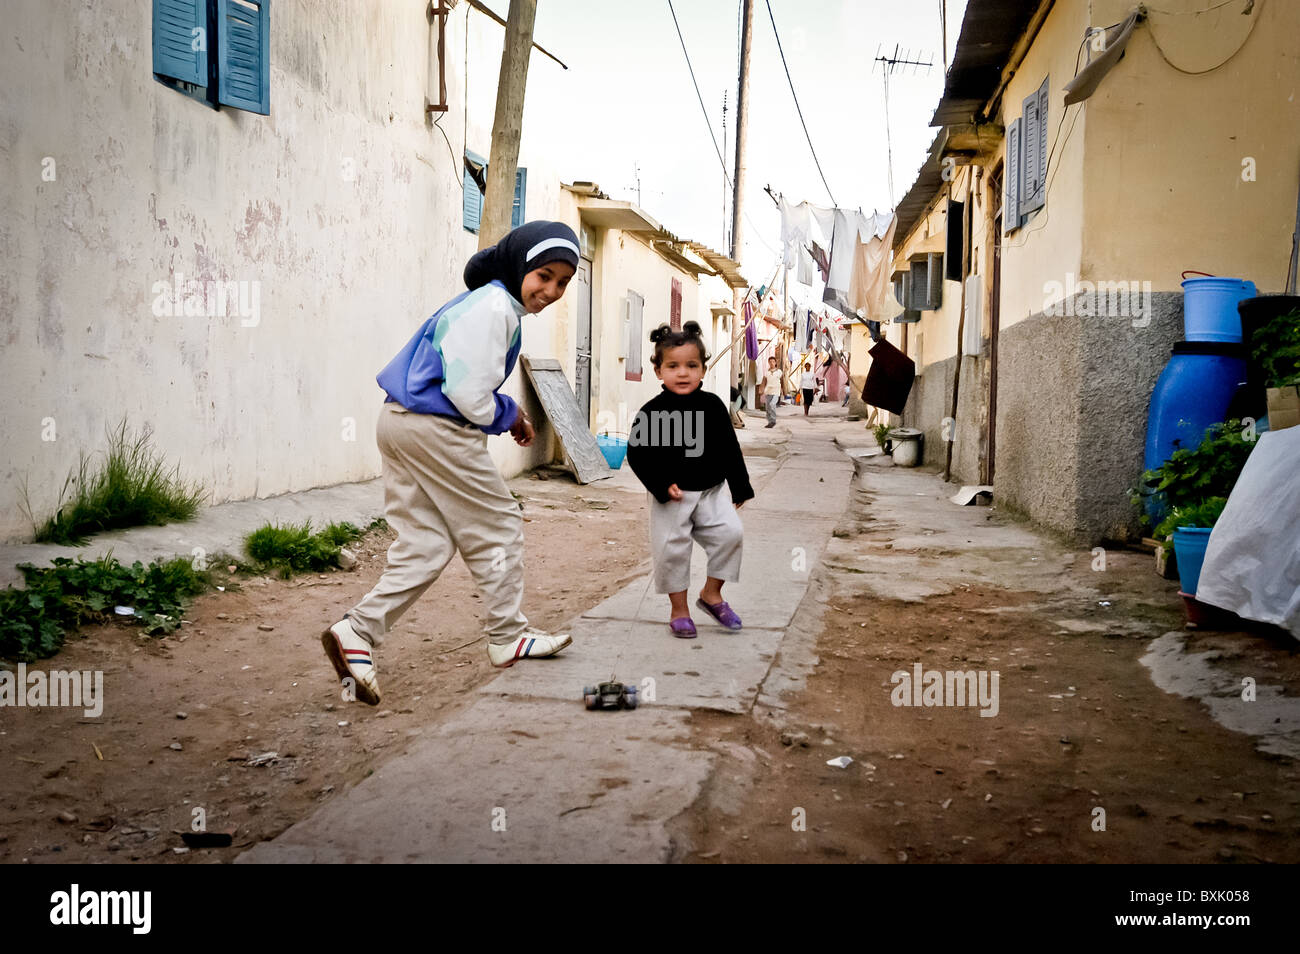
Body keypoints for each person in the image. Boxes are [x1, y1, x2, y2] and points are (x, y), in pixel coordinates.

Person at [321, 221, 581, 706]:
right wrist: (506, 413)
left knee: (427, 542)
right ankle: (508, 635)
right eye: (544, 275)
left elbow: (462, 379)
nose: (551, 290)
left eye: (563, 283)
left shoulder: (488, 304)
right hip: (436, 429)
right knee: (499, 524)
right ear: (521, 265)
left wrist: (506, 414)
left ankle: (356, 632)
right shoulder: (493, 307)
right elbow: (465, 393)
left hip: (398, 421)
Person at [626, 322, 754, 638]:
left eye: (691, 365)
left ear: (703, 370)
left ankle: (712, 594)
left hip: (712, 491)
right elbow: (637, 454)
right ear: (658, 370)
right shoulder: (652, 412)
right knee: (672, 552)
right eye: (673, 366)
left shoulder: (712, 406)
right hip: (673, 496)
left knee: (731, 534)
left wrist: (739, 484)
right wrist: (659, 483)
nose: (682, 373)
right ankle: (679, 611)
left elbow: (728, 447)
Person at [761, 356, 782, 427]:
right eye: (770, 362)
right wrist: (761, 389)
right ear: (768, 363)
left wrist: (783, 391)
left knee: (772, 404)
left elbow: (782, 381)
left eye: (773, 361)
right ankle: (770, 422)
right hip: (768, 391)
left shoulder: (779, 372)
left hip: (776, 391)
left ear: (775, 363)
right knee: (767, 407)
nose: (771, 363)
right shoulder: (767, 372)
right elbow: (764, 381)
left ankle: (773, 420)